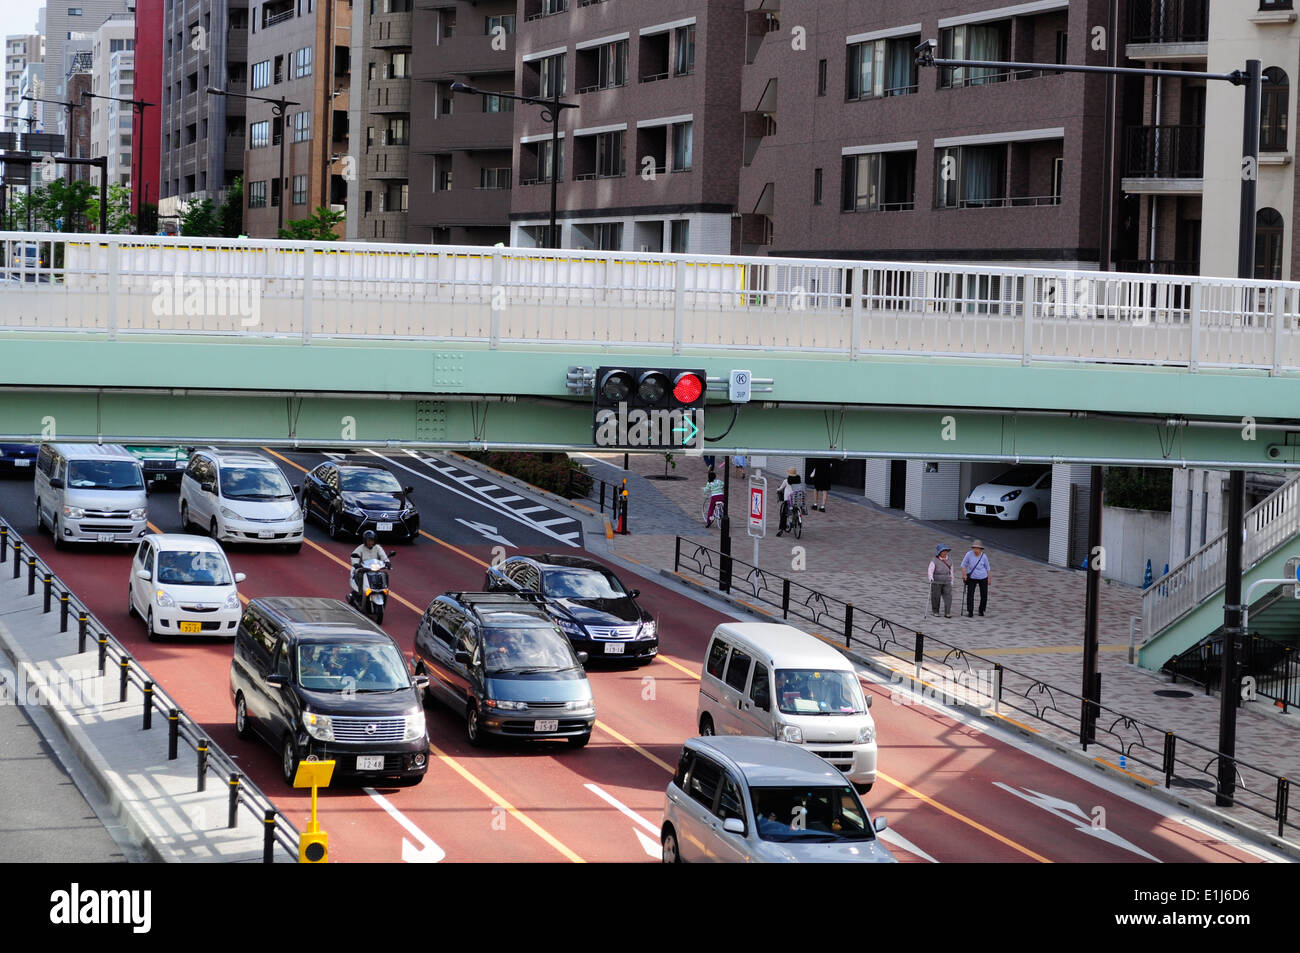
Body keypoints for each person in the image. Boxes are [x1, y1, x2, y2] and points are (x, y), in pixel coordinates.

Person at [351, 529, 390, 594]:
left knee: (384, 575)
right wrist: (356, 564)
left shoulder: (377, 547)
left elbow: (383, 555)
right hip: (364, 569)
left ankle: (383, 590)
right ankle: (360, 592)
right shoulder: (361, 548)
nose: (370, 542)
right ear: (365, 541)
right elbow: (354, 555)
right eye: (368, 541)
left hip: (375, 568)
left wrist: (387, 562)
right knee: (360, 576)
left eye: (371, 540)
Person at [960, 540, 992, 617]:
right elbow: (963, 565)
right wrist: (964, 575)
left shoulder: (984, 556)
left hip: (983, 577)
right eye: (974, 548)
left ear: (981, 549)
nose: (976, 550)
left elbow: (988, 568)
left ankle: (981, 610)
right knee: (970, 594)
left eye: (978, 548)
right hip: (972, 577)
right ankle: (970, 611)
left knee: (984, 595)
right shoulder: (969, 554)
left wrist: (989, 578)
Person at [775, 467, 804, 537]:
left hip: (789, 500)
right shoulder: (799, 480)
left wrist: (777, 489)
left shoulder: (786, 481)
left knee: (783, 514)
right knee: (796, 508)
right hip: (797, 499)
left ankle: (781, 529)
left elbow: (780, 488)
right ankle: (797, 519)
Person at [928, 544, 953, 618]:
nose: (944, 553)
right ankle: (935, 611)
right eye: (942, 551)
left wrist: (952, 581)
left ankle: (947, 612)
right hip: (936, 581)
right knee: (936, 597)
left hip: (947, 581)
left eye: (945, 551)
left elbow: (951, 571)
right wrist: (931, 578)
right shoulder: (934, 560)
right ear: (939, 552)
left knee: (948, 597)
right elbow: (930, 570)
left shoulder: (950, 560)